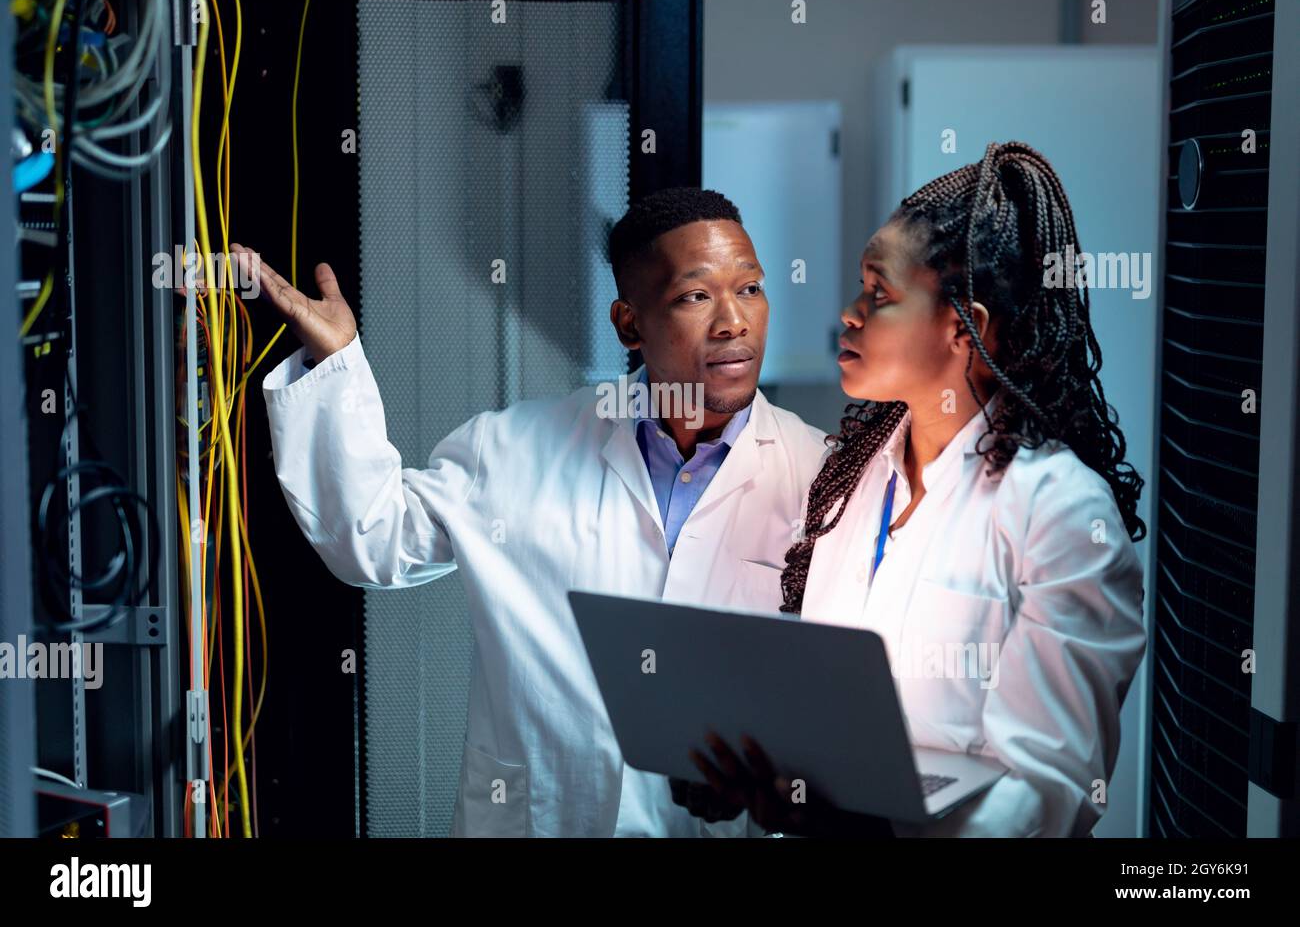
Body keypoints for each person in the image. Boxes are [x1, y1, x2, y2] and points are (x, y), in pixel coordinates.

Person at [238, 187, 829, 836]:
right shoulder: (517, 449)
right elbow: (373, 537)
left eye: (750, 289)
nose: (734, 322)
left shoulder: (823, 476)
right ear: (629, 324)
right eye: (696, 296)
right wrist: (336, 361)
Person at [689, 142, 1148, 838]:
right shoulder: (851, 478)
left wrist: (866, 828)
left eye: (879, 294)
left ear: (965, 327)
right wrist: (750, 773)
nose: (849, 313)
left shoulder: (1057, 512)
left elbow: (1049, 793)